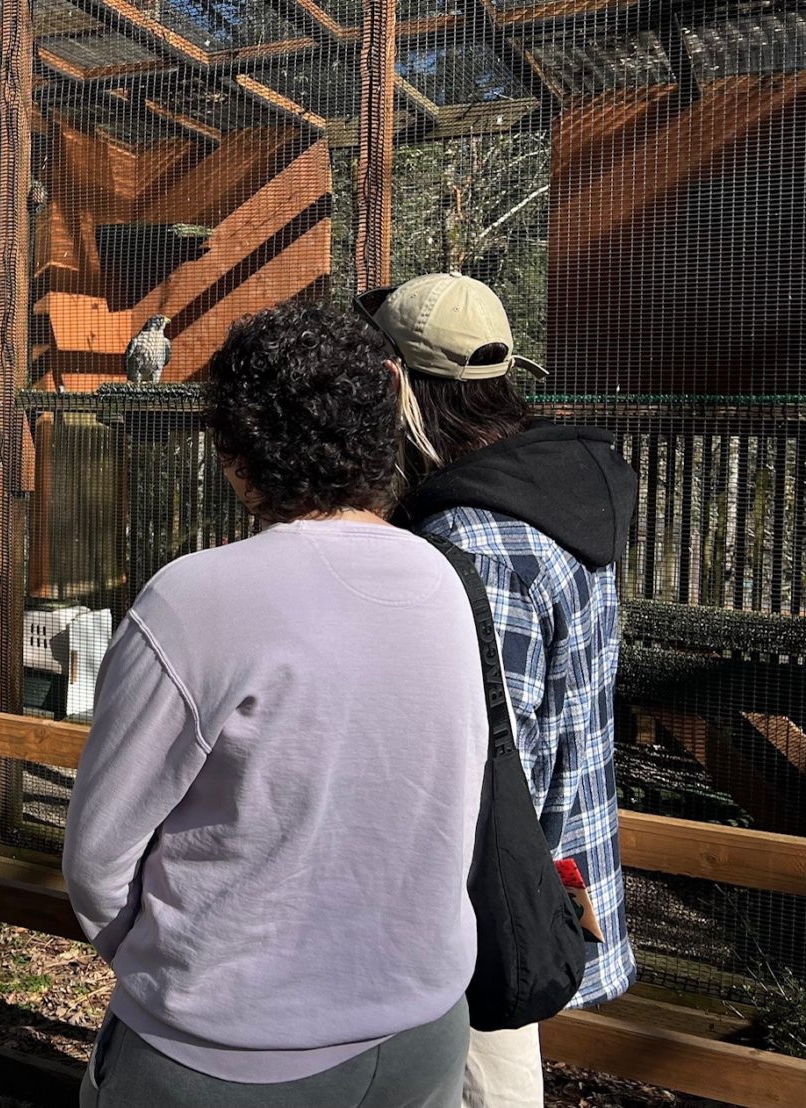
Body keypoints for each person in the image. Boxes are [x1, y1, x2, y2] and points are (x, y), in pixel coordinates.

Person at [63, 302, 491, 1108]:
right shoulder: (443, 581)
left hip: (223, 1051)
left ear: (235, 451)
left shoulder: (192, 600)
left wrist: (173, 973)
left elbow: (97, 862)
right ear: (386, 413)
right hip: (421, 1030)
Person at [358, 272, 638, 1108]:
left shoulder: (476, 541)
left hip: (484, 903)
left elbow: (484, 767)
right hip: (543, 876)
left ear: (399, 386)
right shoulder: (553, 491)